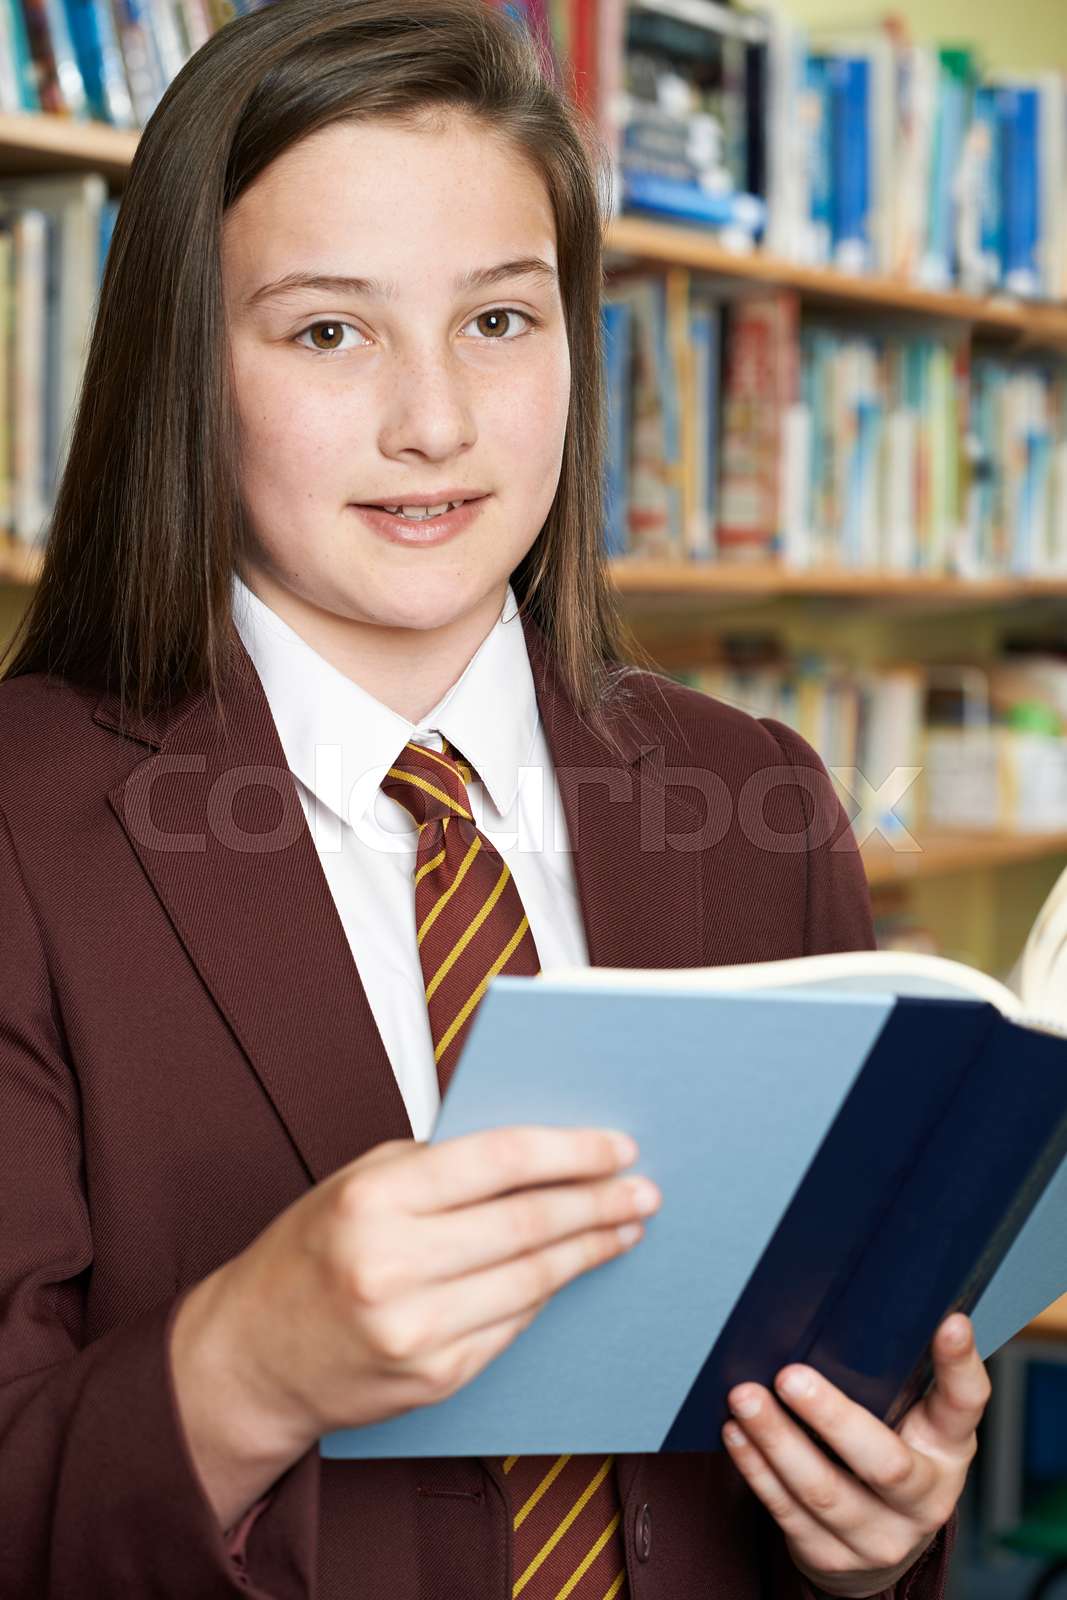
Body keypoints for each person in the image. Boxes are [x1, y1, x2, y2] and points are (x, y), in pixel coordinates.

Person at [0, 1, 990, 1595]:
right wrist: (244, 1368)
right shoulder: (21, 822)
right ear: (188, 363)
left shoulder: (760, 796)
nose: (437, 424)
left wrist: (874, 1539)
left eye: (501, 323)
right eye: (331, 330)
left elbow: (814, 1415)